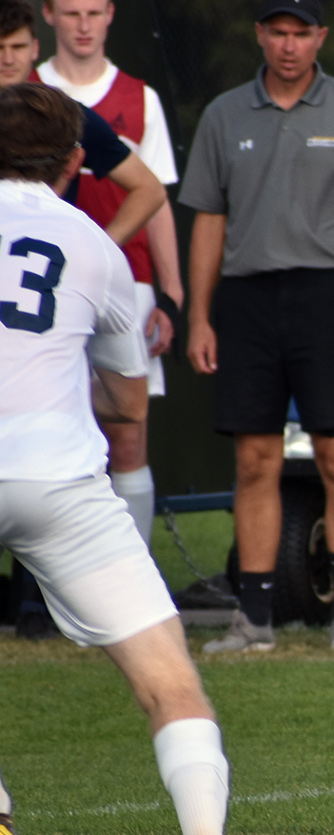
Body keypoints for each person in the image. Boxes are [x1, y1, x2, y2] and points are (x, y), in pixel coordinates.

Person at [0, 83, 252, 835]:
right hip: (59, 481)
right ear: (77, 162)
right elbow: (128, 399)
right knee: (168, 681)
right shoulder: (95, 246)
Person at [180, 0, 334, 653]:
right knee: (254, 459)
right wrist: (200, 314)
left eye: (300, 33)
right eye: (277, 32)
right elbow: (209, 221)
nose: (287, 45)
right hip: (247, 301)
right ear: (259, 35)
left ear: (321, 38)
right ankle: (253, 620)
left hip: (326, 294)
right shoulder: (224, 114)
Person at [0, 0, 164, 640]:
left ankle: (66, 596)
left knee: (92, 437)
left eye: (16, 49)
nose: (8, 61)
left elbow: (148, 188)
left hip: (43, 311)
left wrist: (96, 246)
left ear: (31, 45)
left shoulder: (60, 116)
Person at [36, 0, 188, 549]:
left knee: (127, 433)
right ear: (48, 16)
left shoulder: (139, 98)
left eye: (94, 12)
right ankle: (45, 591)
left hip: (126, 284)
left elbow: (157, 198)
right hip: (43, 288)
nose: (83, 24)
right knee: (51, 430)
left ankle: (133, 572)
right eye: (72, 12)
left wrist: (170, 295)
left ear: (111, 16)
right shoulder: (26, 96)